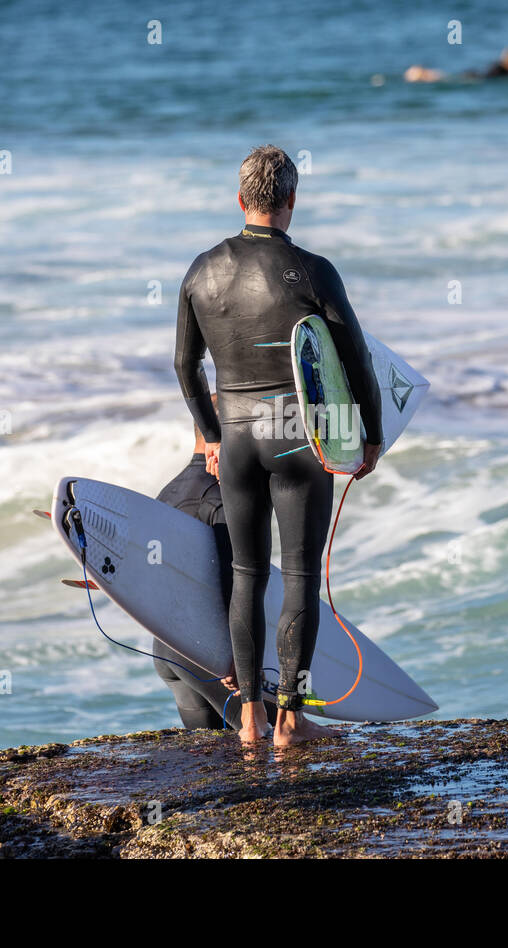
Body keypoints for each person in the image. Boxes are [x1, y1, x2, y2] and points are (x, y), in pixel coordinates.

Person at [174, 145, 383, 746]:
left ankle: (249, 718)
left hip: (236, 439)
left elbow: (184, 364)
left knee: (246, 575)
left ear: (241, 200)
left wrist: (210, 435)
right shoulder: (314, 271)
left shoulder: (200, 271)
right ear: (291, 200)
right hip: (297, 439)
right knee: (297, 578)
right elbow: (354, 359)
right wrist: (368, 435)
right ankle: (291, 719)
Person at [151, 397, 279, 729]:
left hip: (167, 647)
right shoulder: (219, 495)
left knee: (209, 760)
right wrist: (240, 658)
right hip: (210, 652)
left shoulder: (168, 492)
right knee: (264, 732)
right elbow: (230, 578)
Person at [404, 46, 508, 84]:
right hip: (476, 77)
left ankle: (422, 73)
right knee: (446, 78)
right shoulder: (499, 68)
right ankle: (421, 73)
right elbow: (487, 78)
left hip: (477, 76)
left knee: (447, 77)